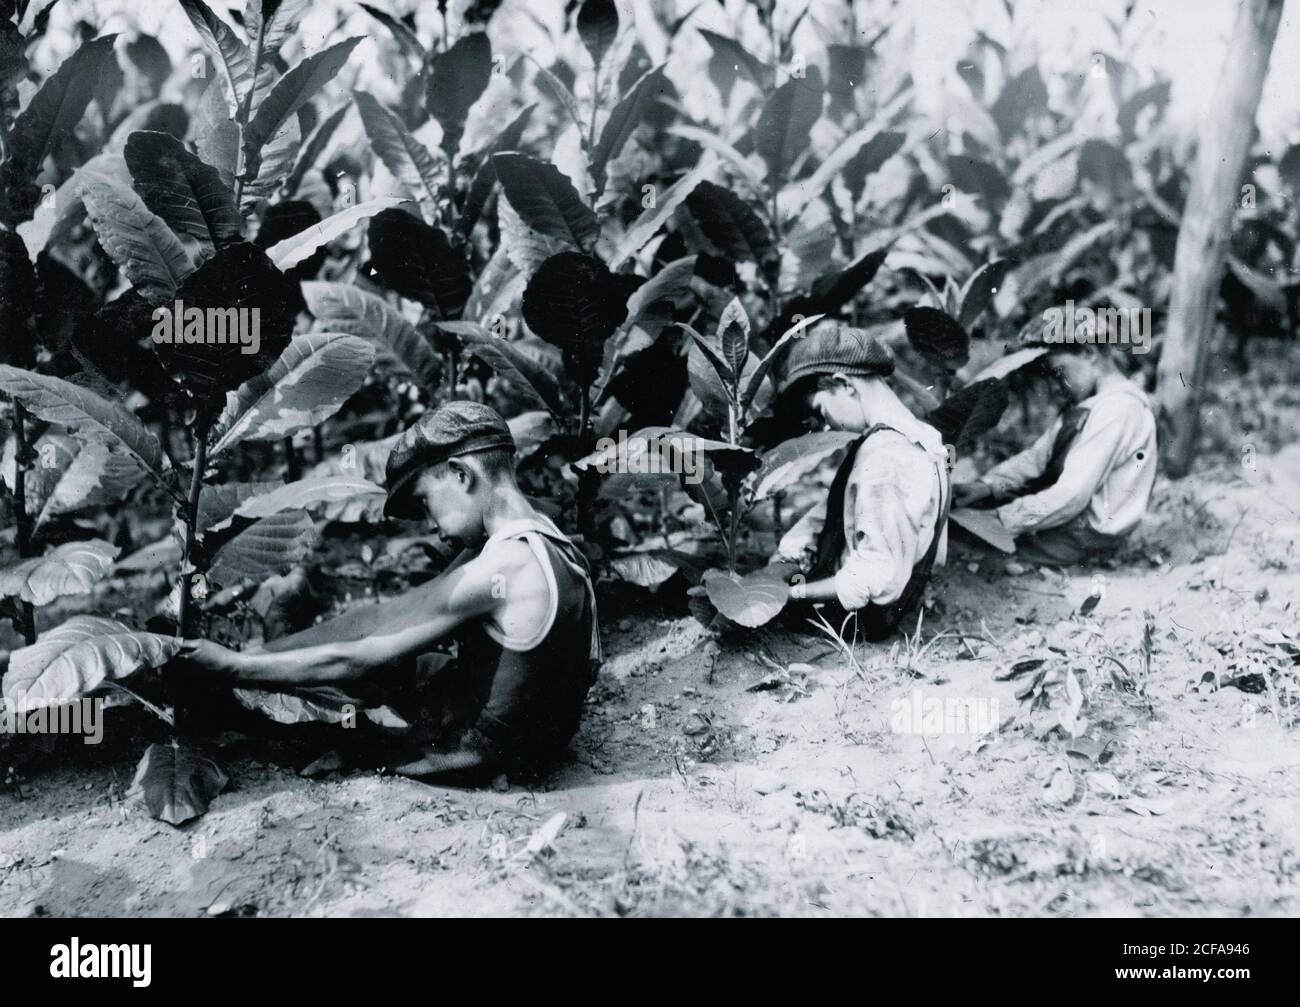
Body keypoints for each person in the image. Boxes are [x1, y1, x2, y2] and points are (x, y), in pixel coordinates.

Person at [178, 401, 602, 785]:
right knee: (405, 664)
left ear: (461, 474)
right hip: (538, 748)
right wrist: (263, 657)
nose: (430, 523)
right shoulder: (548, 541)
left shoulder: (505, 564)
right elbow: (381, 619)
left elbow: (359, 655)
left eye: (425, 502)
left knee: (319, 718)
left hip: (472, 756)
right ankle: (271, 647)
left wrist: (234, 667)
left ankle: (221, 684)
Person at [772, 326, 951, 640]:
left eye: (822, 410)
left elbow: (874, 576)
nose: (827, 424)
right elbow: (835, 511)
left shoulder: (885, 457)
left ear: (845, 385)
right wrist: (787, 556)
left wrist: (790, 595)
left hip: (855, 623)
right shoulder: (923, 438)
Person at [951, 347, 1157, 566]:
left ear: (1088, 353)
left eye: (1060, 373)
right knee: (963, 523)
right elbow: (1036, 459)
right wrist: (986, 485)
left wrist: (999, 519)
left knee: (964, 544)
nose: (1056, 387)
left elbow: (1071, 497)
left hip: (1082, 535)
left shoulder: (1118, 408)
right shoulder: (1091, 403)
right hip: (1069, 521)